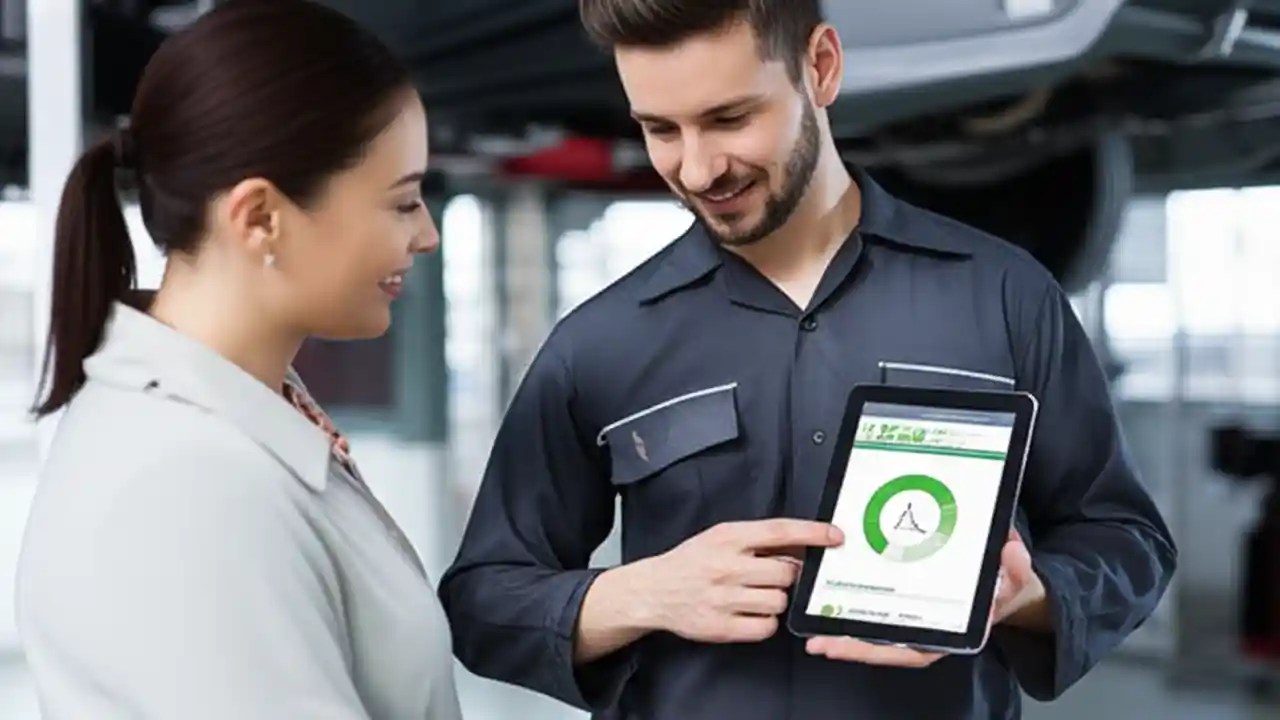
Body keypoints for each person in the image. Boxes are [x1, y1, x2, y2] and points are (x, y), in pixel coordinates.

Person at [437, 0, 1177, 718]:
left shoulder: (1005, 297)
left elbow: (1125, 539)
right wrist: (640, 594)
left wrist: (1028, 594)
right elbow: (482, 601)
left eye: (730, 118)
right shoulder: (599, 343)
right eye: (661, 129)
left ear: (820, 67)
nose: (697, 170)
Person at [14, 2, 461, 718]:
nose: (427, 235)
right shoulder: (188, 483)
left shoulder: (236, 421)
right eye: (402, 203)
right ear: (259, 218)